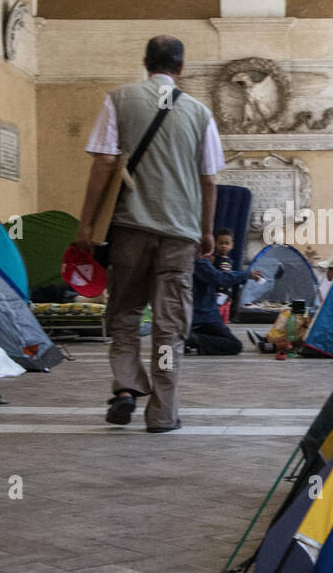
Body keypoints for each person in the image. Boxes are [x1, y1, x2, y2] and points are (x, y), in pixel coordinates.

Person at [74, 35, 225, 432]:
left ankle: (125, 387)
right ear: (181, 67)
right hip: (180, 234)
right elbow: (209, 179)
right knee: (169, 325)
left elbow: (105, 163)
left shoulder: (118, 100)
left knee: (123, 313)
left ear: (145, 63)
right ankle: (162, 412)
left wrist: (86, 224)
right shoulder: (199, 113)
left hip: (129, 229)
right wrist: (206, 231)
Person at [187, 229, 261, 355]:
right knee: (234, 345)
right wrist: (247, 274)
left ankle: (194, 338)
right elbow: (220, 278)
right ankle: (192, 339)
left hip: (203, 313)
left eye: (227, 243)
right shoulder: (199, 260)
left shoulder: (201, 259)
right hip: (203, 316)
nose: (223, 246)